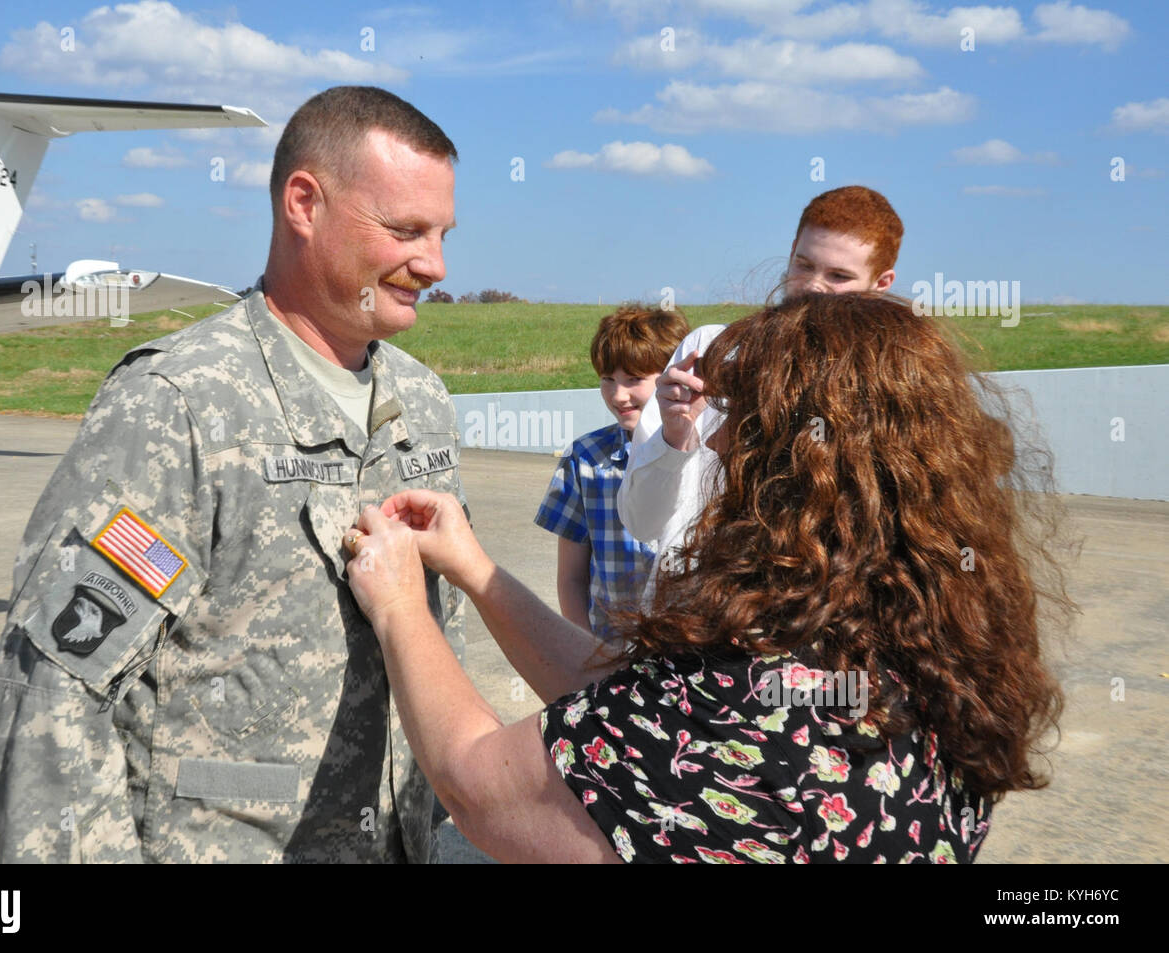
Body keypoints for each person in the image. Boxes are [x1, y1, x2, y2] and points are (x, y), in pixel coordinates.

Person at [341, 292, 1071, 863]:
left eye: (740, 423)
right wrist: (474, 569)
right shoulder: (932, 652)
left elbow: (478, 784)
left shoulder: (746, 703)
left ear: (800, 473)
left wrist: (402, 603)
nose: (714, 439)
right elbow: (625, 700)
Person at [0, 86, 465, 863]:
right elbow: (54, 689)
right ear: (304, 204)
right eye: (406, 230)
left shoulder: (424, 403)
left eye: (442, 233)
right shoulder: (179, 405)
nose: (435, 264)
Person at [618, 186, 904, 594]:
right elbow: (641, 522)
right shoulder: (712, 351)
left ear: (881, 282)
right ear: (790, 251)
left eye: (839, 276)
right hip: (687, 625)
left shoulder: (891, 386)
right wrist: (674, 436)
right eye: (803, 265)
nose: (813, 287)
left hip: (819, 633)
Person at [534, 306, 690, 639]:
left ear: (674, 375)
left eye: (634, 379)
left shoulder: (711, 457)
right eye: (608, 379)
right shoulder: (584, 459)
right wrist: (583, 651)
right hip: (611, 654)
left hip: (694, 660)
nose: (618, 395)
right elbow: (571, 578)